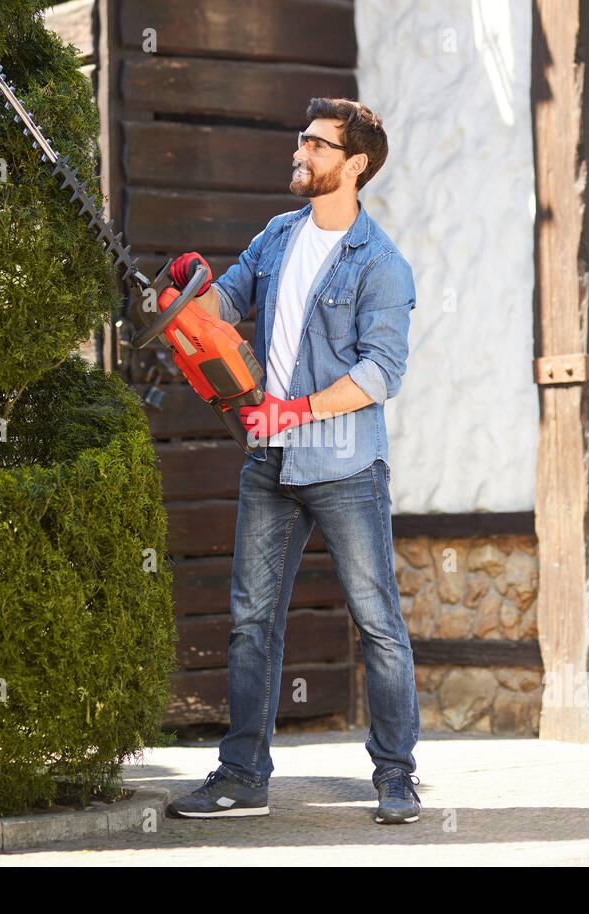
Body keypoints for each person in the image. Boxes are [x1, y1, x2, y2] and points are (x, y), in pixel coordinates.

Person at [164, 96, 420, 825]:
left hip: (344, 467)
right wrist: (191, 285)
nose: (299, 152)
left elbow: (380, 373)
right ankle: (242, 775)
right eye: (300, 140)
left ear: (355, 164)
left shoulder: (382, 264)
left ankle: (396, 776)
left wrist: (296, 410)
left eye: (316, 143)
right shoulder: (277, 237)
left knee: (377, 624)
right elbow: (222, 305)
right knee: (251, 623)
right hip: (268, 463)